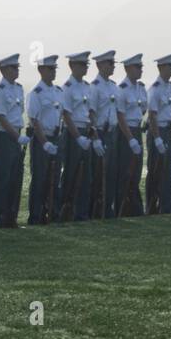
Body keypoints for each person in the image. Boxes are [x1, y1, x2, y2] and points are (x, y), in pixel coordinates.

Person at [0, 54, 25, 228]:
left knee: (15, 179)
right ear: (3, 70)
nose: (16, 70)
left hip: (16, 137)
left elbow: (18, 114)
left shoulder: (19, 89)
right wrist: (17, 137)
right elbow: (1, 118)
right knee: (2, 180)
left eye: (17, 67)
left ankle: (11, 217)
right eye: (13, 67)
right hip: (4, 137)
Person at [26, 54, 63, 224]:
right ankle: (35, 216)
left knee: (54, 179)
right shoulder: (36, 93)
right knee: (40, 179)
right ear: (41, 70)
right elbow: (34, 121)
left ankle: (53, 213)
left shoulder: (57, 92)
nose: (53, 72)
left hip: (55, 138)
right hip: (42, 140)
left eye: (54, 69)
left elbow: (61, 115)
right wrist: (45, 143)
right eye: (50, 69)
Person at [59, 51, 95, 221]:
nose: (85, 68)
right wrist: (78, 137)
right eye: (81, 65)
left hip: (85, 132)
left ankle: (82, 212)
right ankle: (65, 210)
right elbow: (66, 115)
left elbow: (89, 112)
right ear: (72, 66)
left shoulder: (87, 86)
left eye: (86, 65)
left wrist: (91, 133)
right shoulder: (68, 87)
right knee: (71, 174)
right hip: (73, 133)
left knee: (86, 175)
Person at [114, 53, 147, 217]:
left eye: (141, 67)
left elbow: (143, 109)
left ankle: (134, 207)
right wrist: (130, 138)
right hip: (126, 133)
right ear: (127, 69)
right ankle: (122, 206)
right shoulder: (122, 90)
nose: (140, 70)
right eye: (137, 67)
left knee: (136, 171)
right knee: (126, 172)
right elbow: (120, 116)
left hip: (137, 130)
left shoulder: (141, 88)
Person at [90, 50, 121, 219]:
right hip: (100, 133)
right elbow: (91, 115)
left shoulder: (113, 86)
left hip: (111, 134)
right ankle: (95, 209)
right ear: (99, 65)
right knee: (98, 174)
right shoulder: (94, 87)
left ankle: (107, 209)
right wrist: (95, 139)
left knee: (111, 174)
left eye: (113, 63)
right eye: (109, 63)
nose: (112, 66)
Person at [146, 54, 171, 214]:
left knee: (169, 172)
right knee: (155, 171)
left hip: (167, 131)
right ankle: (151, 206)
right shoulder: (155, 89)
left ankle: (168, 205)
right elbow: (152, 116)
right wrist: (157, 138)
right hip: (157, 131)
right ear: (162, 67)